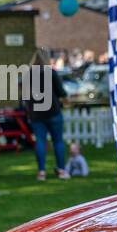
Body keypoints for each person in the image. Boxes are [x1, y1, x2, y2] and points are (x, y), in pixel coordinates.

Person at [24, 48, 69, 180]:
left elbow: (25, 96)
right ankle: (61, 170)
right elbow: (61, 92)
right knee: (58, 142)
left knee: (40, 142)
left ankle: (41, 172)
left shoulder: (28, 75)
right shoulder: (51, 73)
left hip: (36, 114)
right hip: (53, 111)